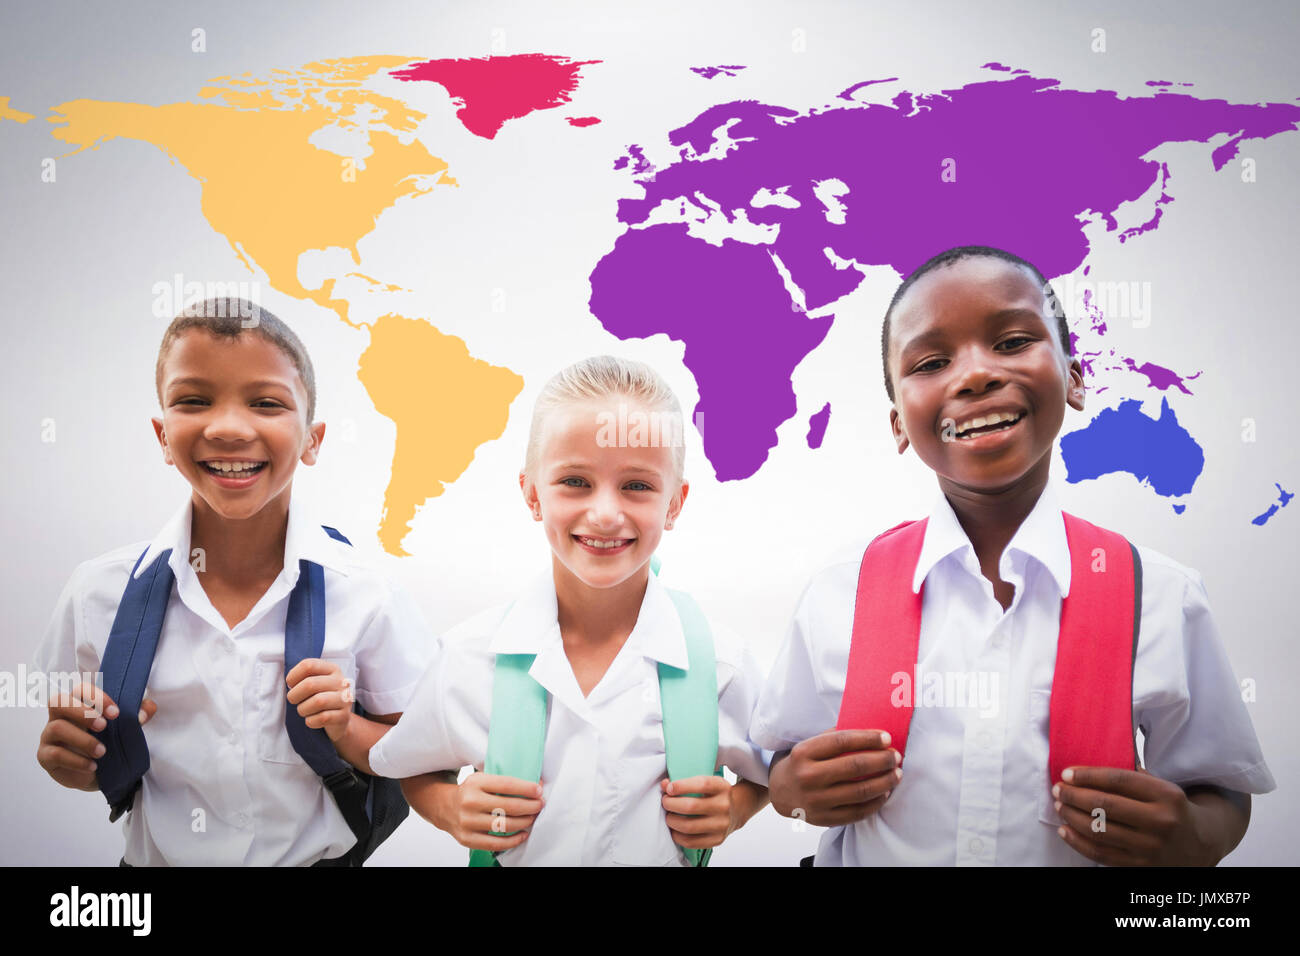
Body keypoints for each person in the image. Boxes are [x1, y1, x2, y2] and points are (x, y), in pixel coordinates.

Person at [751, 246, 1274, 866]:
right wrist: (792, 791)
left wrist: (1194, 836)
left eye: (1011, 342)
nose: (973, 375)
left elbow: (1220, 787)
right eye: (932, 361)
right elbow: (780, 765)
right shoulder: (841, 593)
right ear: (898, 423)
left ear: (1075, 378)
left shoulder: (1161, 595)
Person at [35, 297, 433, 865]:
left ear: (313, 438)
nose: (227, 428)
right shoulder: (97, 595)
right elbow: (77, 757)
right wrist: (68, 762)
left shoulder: (367, 596)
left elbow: (416, 754)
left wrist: (346, 728)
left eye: (266, 403)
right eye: (194, 401)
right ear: (163, 434)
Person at [370, 355, 770, 865]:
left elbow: (774, 772)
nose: (605, 513)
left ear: (674, 504)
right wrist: (449, 807)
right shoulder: (469, 657)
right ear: (532, 494)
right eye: (575, 482)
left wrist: (736, 808)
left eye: (638, 486)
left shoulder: (722, 664)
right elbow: (413, 764)